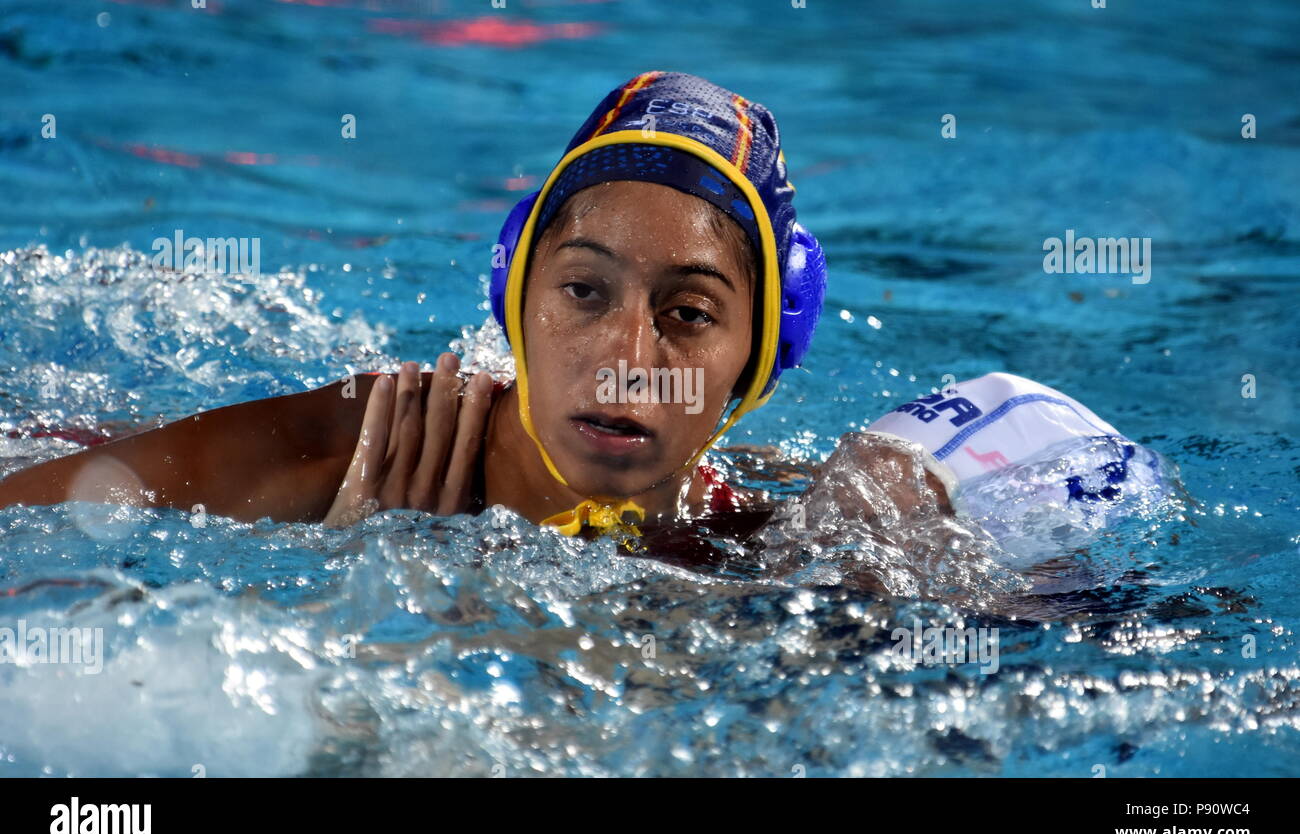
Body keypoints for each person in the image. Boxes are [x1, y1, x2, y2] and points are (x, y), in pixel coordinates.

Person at [0, 71, 1153, 576]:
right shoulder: (357, 443)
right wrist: (352, 569)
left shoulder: (758, 534)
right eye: (584, 290)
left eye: (689, 314)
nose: (626, 360)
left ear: (762, 353)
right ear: (518, 294)